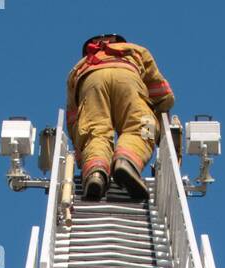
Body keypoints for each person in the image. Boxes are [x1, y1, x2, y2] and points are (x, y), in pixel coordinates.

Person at [65, 34, 175, 202]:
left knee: (94, 133)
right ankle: (126, 162)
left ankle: (96, 173)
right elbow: (162, 93)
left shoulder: (79, 66)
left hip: (90, 82)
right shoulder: (136, 50)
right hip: (127, 77)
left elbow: (74, 117)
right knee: (142, 128)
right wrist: (160, 111)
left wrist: (81, 153)